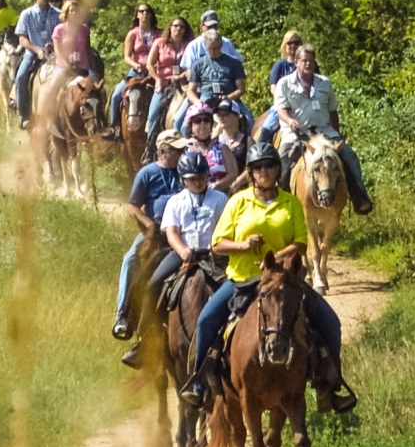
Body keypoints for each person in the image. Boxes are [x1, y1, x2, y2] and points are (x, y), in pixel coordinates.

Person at [180, 142, 348, 411]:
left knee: (330, 322)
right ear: (250, 172)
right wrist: (243, 245)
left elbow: (301, 244)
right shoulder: (237, 202)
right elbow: (218, 244)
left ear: (277, 169)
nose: (264, 171)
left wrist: (278, 258)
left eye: (269, 166)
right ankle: (199, 385)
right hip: (242, 280)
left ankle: (330, 385)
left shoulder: (291, 203)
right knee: (206, 320)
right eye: (258, 167)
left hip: (285, 281)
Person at [131, 151, 228, 369]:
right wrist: (183, 250)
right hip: (182, 253)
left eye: (202, 177)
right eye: (193, 178)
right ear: (183, 180)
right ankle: (144, 339)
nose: (198, 182)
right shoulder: (175, 202)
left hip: (215, 256)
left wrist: (216, 248)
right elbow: (172, 232)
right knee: (151, 285)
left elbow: (226, 227)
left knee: (239, 287)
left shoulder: (220, 199)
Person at [114, 129, 188, 367]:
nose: (180, 153)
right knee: (130, 260)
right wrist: (148, 225)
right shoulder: (147, 173)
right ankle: (124, 315)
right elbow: (133, 206)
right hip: (155, 232)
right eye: (176, 149)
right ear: (163, 150)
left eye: (181, 149)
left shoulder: (185, 171)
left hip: (182, 233)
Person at [274, 44, 373, 214]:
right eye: (304, 61)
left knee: (349, 156)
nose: (308, 64)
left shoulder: (324, 83)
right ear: (296, 62)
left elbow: (332, 110)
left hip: (324, 132)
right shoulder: (285, 83)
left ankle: (359, 197)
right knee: (283, 159)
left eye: (311, 61)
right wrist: (289, 121)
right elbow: (281, 110)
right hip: (297, 133)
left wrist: (337, 133)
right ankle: (278, 203)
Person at [181, 29, 254, 132]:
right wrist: (198, 102)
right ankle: (188, 147)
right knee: (184, 127)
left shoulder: (235, 63)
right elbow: (190, 90)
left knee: (250, 120)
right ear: (205, 47)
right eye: (210, 48)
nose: (213, 51)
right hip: (206, 98)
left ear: (221, 45)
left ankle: (248, 145)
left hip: (229, 97)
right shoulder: (198, 64)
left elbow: (241, 89)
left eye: (215, 48)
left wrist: (229, 97)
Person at [107, 2, 162, 138]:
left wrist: (155, 66)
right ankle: (114, 128)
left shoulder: (159, 34)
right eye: (141, 11)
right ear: (137, 15)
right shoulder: (132, 34)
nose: (144, 14)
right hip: (136, 72)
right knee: (115, 95)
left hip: (153, 73)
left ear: (151, 15)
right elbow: (126, 56)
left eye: (147, 11)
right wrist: (135, 64)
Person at [14, 0, 60, 129]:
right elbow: (22, 38)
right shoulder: (26, 14)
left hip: (55, 54)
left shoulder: (58, 14)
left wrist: (54, 48)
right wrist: (36, 50)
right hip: (33, 54)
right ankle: (24, 114)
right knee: (21, 76)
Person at [145, 16, 194, 152]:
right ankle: (149, 149)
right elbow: (149, 64)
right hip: (163, 84)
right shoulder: (160, 43)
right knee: (153, 113)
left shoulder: (189, 45)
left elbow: (193, 66)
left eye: (181, 27)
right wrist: (157, 79)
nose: (178, 29)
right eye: (175, 26)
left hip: (183, 84)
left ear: (185, 30)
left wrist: (182, 75)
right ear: (170, 27)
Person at [259, 30, 303, 144]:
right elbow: (273, 88)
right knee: (267, 127)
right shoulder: (280, 65)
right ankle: (261, 149)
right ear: (285, 46)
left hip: (305, 103)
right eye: (290, 43)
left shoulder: (309, 64)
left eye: (297, 42)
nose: (293, 45)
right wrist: (285, 99)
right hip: (283, 104)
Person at [185, 102, 238, 193]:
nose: (202, 124)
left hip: (219, 196)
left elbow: (233, 173)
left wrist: (217, 185)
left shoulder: (222, 148)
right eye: (198, 121)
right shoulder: (185, 149)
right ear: (190, 126)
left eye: (206, 120)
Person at [214, 98, 254, 178]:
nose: (222, 118)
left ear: (236, 117)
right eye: (219, 115)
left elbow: (254, 167)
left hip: (242, 187)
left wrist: (237, 182)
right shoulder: (214, 142)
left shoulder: (247, 141)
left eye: (225, 114)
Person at [52, 0, 93, 74]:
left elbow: (88, 48)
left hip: (82, 67)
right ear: (66, 13)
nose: (74, 13)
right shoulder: (59, 29)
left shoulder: (84, 29)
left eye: (76, 11)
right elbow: (57, 51)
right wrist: (66, 65)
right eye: (72, 10)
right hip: (63, 67)